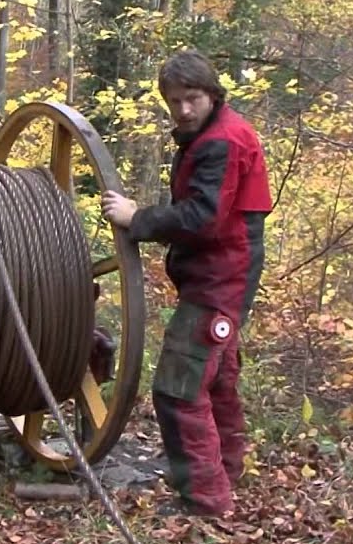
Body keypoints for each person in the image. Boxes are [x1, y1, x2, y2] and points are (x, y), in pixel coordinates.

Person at [100, 49, 272, 517]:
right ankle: (225, 471)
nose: (182, 110)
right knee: (216, 383)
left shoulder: (223, 141)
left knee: (178, 388)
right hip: (225, 280)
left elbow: (203, 219)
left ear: (213, 95)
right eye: (173, 101)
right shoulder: (213, 134)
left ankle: (205, 500)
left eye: (191, 99)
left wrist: (139, 217)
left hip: (219, 283)